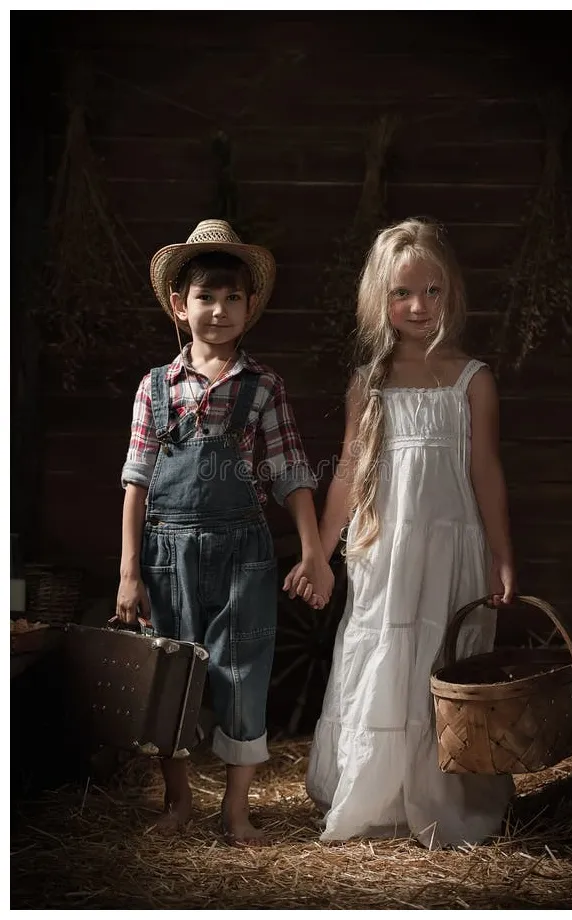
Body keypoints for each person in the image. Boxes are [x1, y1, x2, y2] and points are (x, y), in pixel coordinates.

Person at [285, 217, 516, 849]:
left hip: (451, 543)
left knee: (446, 660)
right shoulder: (370, 383)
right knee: (382, 653)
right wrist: (320, 555)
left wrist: (502, 554)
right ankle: (376, 791)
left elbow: (486, 470)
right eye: (401, 293)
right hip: (384, 545)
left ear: (453, 293)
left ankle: (449, 794)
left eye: (432, 291)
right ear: (378, 300)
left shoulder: (474, 379)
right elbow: (349, 474)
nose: (418, 307)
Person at [116, 219, 334, 844]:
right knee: (171, 679)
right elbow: (136, 482)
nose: (219, 309)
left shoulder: (263, 387)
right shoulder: (155, 388)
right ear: (180, 308)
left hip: (244, 552)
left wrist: (314, 550)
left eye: (232, 297)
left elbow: (293, 472)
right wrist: (130, 572)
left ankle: (235, 813)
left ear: (249, 307)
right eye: (205, 297)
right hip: (166, 553)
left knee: (244, 675)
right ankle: (179, 802)